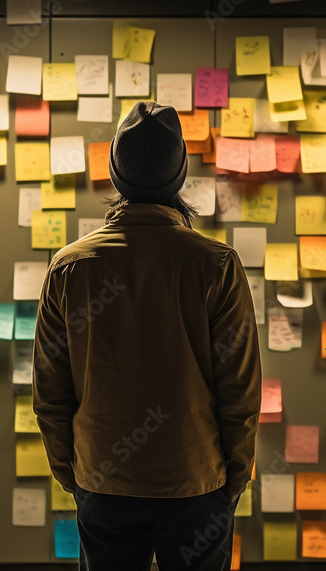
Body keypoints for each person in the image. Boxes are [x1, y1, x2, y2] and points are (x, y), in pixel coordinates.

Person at [32, 101, 262, 571]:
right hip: (198, 480)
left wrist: (74, 473)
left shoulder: (69, 268)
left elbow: (49, 392)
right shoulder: (215, 265)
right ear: (178, 179)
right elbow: (240, 390)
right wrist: (232, 478)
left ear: (117, 175)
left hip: (103, 479)